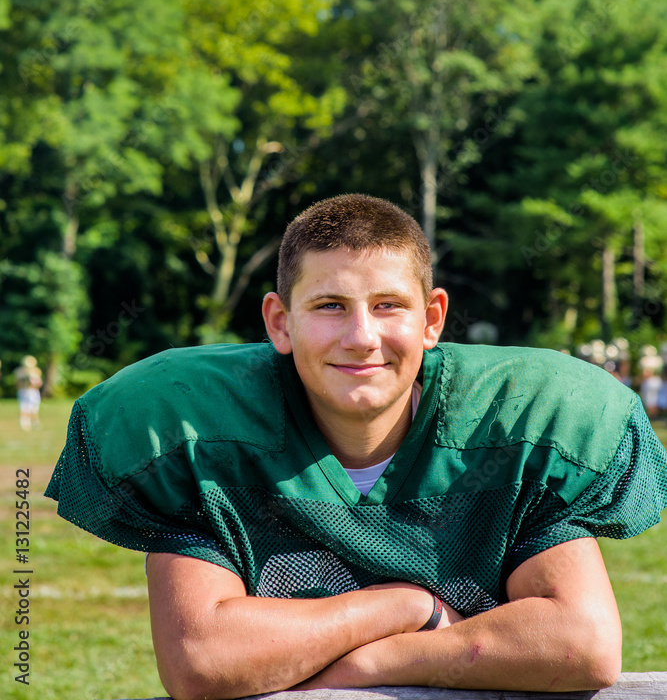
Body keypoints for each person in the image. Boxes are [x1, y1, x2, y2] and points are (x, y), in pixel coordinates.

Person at [46, 194, 667, 699]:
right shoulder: (202, 435)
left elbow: (581, 642)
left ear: (431, 320)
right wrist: (404, 607)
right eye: (330, 306)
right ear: (279, 323)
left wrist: (367, 667)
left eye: (388, 305)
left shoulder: (516, 427)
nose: (362, 336)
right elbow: (204, 659)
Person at [14, 355, 43, 431]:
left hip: (33, 391)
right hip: (24, 391)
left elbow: (38, 383)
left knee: (34, 407)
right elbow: (18, 383)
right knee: (24, 407)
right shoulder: (20, 372)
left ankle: (34, 421)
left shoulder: (36, 371)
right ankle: (25, 422)